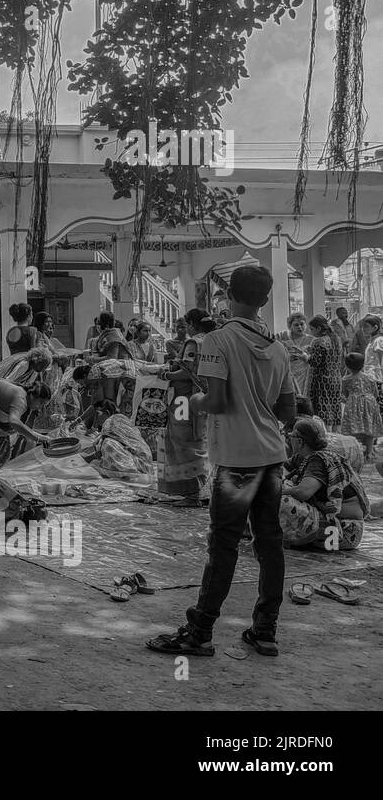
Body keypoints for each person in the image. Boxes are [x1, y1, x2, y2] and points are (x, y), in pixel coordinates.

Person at [147, 265, 296, 659]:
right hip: (272, 457)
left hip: (236, 460)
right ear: (264, 300)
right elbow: (287, 410)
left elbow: (216, 401)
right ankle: (265, 629)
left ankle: (200, 632)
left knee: (223, 545)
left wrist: (195, 401)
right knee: (270, 543)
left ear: (228, 296)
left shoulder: (218, 339)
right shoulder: (279, 348)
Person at [280, 418, 368, 551]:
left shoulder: (318, 460)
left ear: (299, 441)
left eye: (291, 436)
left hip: (347, 530)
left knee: (281, 500)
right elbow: (278, 473)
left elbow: (304, 492)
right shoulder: (301, 457)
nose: (289, 439)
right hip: (332, 525)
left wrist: (276, 491)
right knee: (270, 489)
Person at [160, 308, 216, 504]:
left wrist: (165, 375)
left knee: (184, 441)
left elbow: (187, 372)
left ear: (192, 324)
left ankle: (192, 493)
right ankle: (204, 490)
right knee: (201, 441)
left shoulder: (194, 342)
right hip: (207, 397)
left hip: (185, 399)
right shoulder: (213, 339)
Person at [86, 311, 136, 419]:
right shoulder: (108, 334)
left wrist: (93, 360)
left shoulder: (114, 336)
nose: (97, 325)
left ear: (104, 323)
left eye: (99, 322)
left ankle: (112, 426)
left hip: (118, 373)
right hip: (111, 372)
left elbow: (111, 358)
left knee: (111, 403)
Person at [340, 352, 382, 460]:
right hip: (369, 402)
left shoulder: (346, 379)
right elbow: (375, 393)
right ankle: (369, 452)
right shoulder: (370, 378)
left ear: (347, 366)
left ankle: (355, 451)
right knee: (369, 426)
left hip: (353, 404)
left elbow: (343, 394)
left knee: (352, 427)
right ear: (363, 365)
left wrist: (350, 399)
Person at [306, 315, 343, 429]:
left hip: (321, 381)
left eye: (311, 329)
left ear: (318, 329)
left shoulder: (318, 341)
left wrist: (305, 357)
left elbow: (315, 361)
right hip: (335, 378)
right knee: (334, 409)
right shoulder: (336, 339)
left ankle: (326, 440)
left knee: (322, 410)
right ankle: (335, 438)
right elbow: (329, 357)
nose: (310, 332)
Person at [281, 312, 313, 396]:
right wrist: (287, 357)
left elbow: (315, 359)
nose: (299, 327)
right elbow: (277, 356)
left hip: (306, 374)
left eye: (302, 324)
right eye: (296, 325)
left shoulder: (312, 340)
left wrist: (306, 357)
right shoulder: (284, 340)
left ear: (306, 325)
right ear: (290, 326)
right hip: (289, 373)